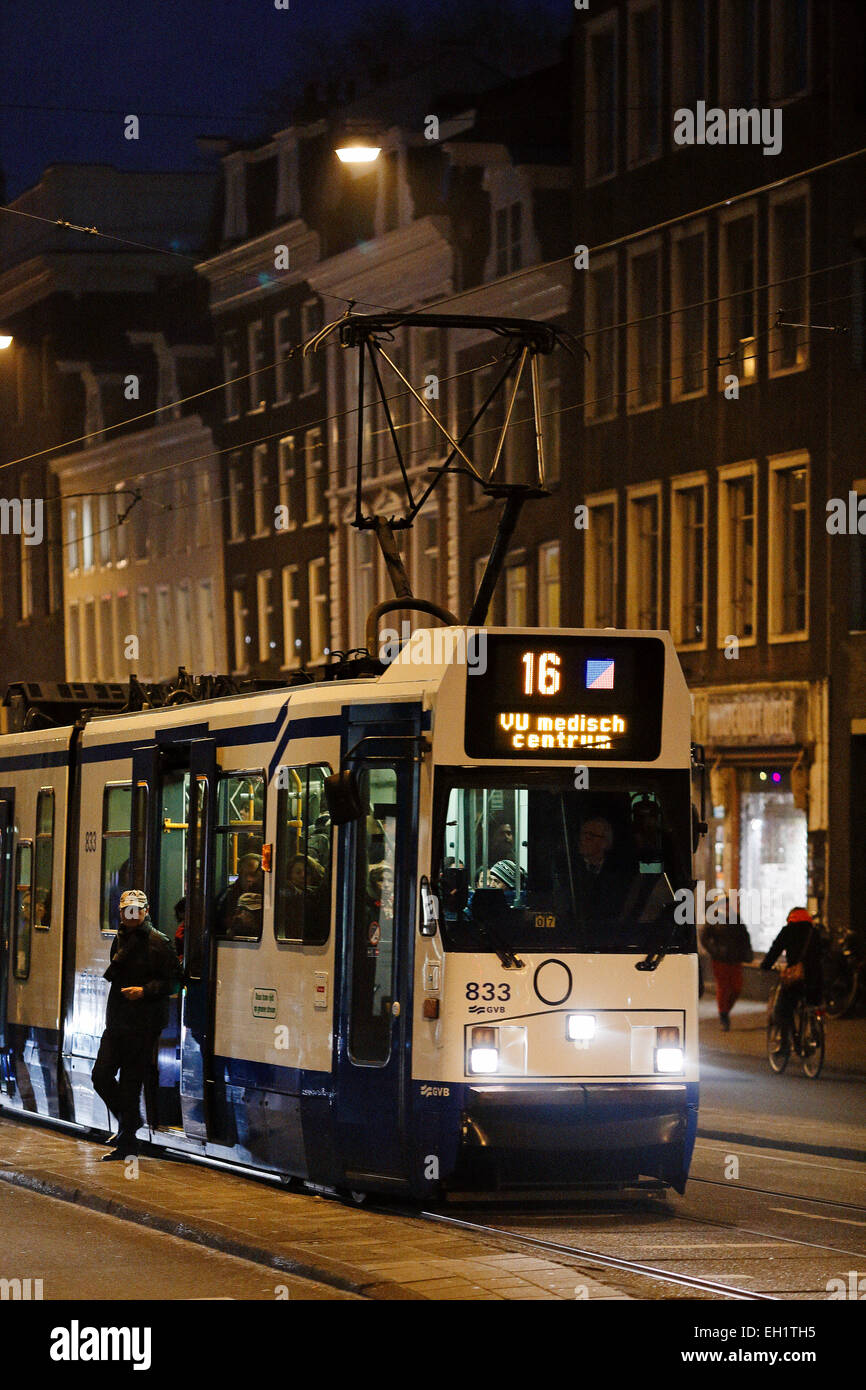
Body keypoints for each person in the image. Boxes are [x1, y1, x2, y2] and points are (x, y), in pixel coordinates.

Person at [91, 888, 178, 1160]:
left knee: (130, 1083)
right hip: (117, 1021)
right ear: (120, 912)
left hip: (144, 1024)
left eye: (136, 910)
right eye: (127, 910)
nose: (131, 915)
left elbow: (174, 981)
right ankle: (131, 1122)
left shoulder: (158, 942)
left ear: (145, 911)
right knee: (101, 1076)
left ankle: (127, 1144)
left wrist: (144, 991)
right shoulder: (120, 939)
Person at [761, 906, 823, 1047]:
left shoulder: (788, 930)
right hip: (816, 980)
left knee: (783, 1009)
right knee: (812, 1005)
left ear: (791, 918)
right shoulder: (815, 932)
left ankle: (784, 1046)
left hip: (796, 979)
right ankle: (814, 1029)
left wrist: (765, 965)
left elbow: (775, 950)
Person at [699, 892, 753, 1030]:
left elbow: (744, 937)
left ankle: (725, 1011)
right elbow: (704, 937)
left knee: (736, 987)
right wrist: (715, 950)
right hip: (720, 959)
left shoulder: (737, 919)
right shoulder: (714, 919)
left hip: (735, 958)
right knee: (723, 987)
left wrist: (748, 952)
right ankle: (723, 1015)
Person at [216, 853, 263, 937]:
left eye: (253, 875)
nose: (249, 879)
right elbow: (218, 922)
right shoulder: (228, 894)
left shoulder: (267, 895)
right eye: (245, 874)